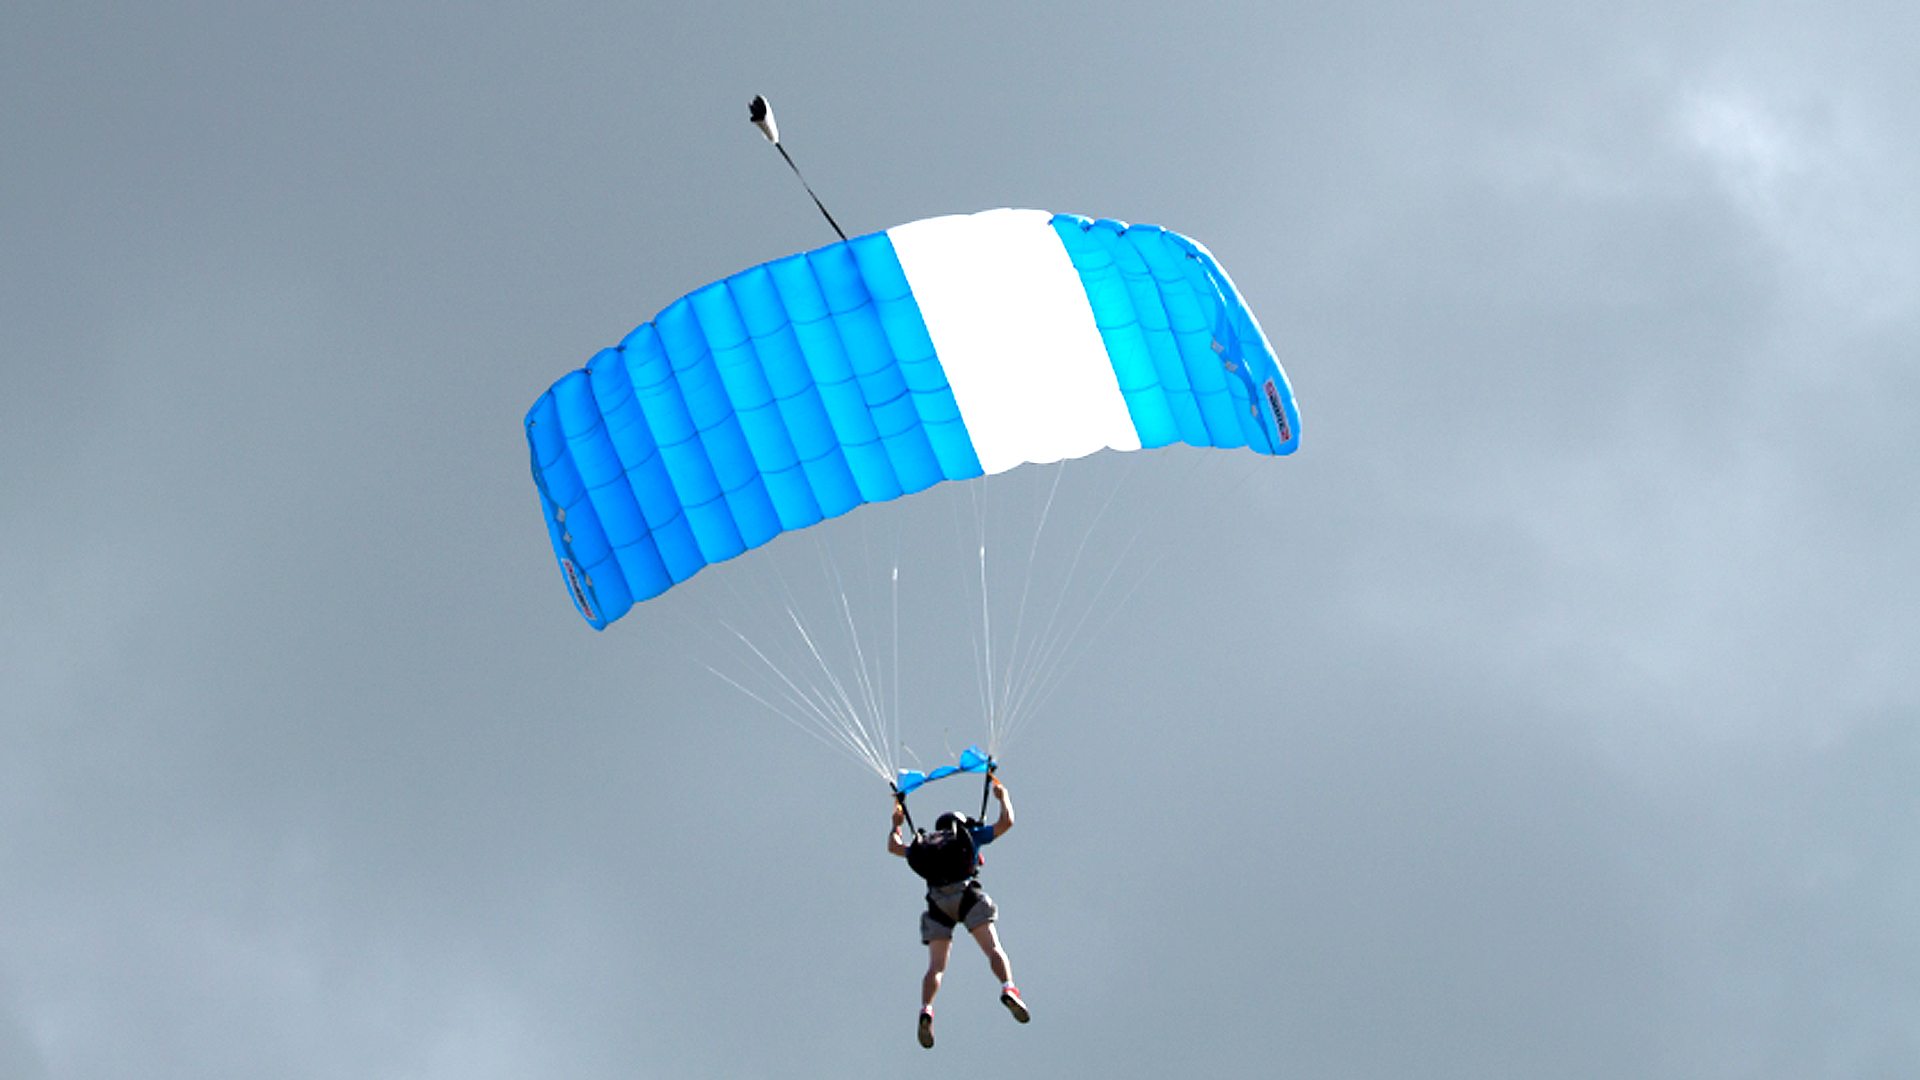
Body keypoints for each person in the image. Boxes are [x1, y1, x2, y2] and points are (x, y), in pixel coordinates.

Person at [888, 773, 1030, 1049]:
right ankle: (1008, 987)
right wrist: (1003, 797)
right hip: (967, 896)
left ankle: (926, 1008)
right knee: (993, 949)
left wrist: (896, 824)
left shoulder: (926, 845)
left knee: (936, 967)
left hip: (937, 904)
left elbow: (894, 847)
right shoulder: (970, 835)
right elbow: (1006, 823)